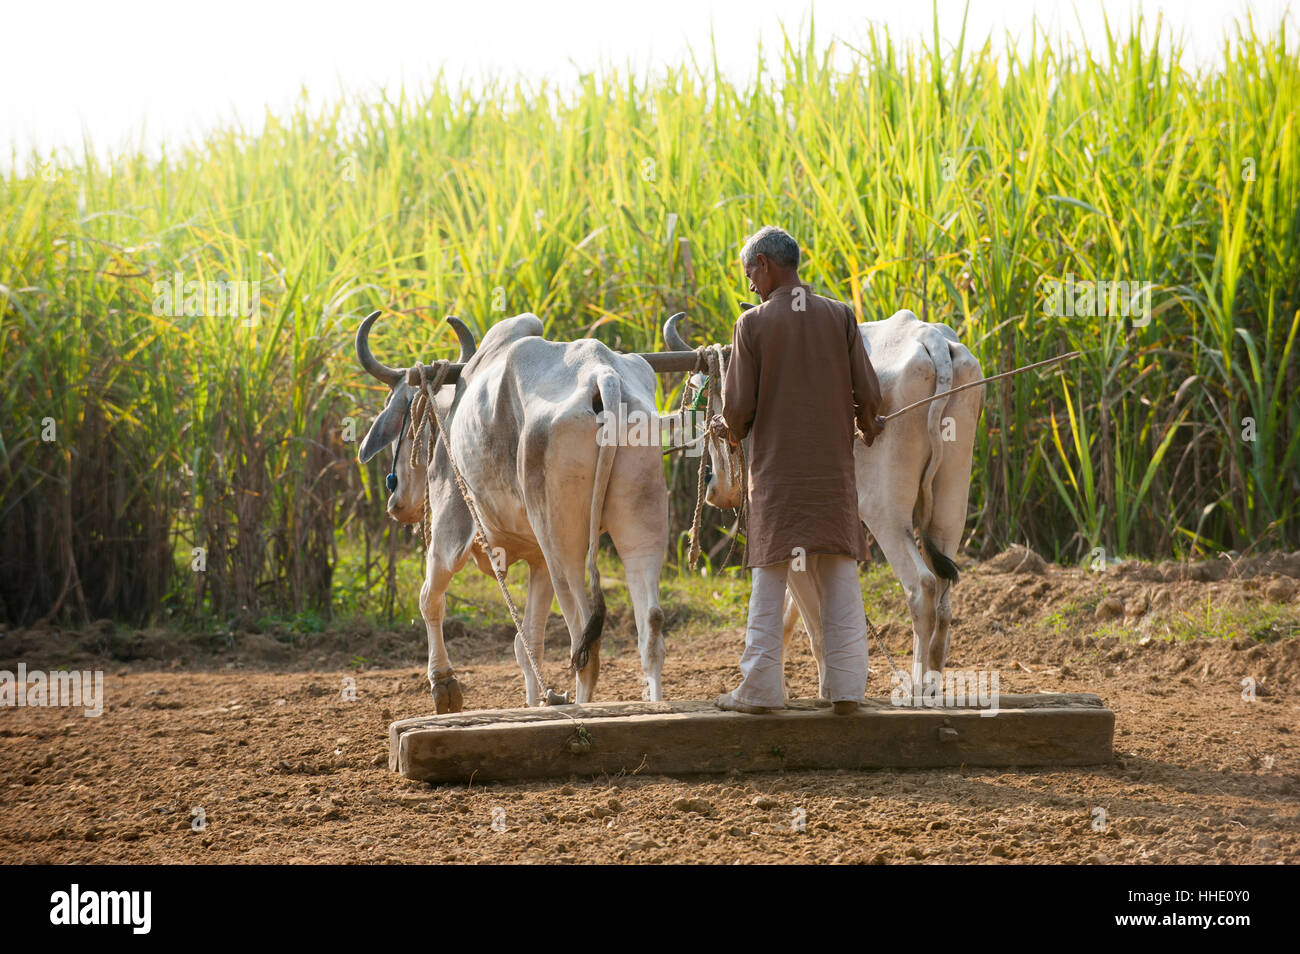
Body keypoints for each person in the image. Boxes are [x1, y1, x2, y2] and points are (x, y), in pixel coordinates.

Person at [712, 225, 885, 716]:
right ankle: (847, 689)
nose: (750, 286)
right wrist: (870, 425)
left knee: (769, 577)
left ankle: (760, 690)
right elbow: (869, 398)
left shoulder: (753, 326)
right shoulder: (839, 316)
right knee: (840, 576)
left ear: (765, 265)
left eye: (750, 273)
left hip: (777, 481)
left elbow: (739, 410)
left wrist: (727, 429)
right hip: (832, 479)